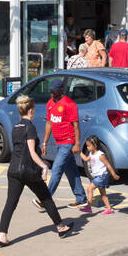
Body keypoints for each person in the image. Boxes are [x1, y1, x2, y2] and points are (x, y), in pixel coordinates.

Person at [0, 96, 72, 247]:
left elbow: (20, 151)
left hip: (13, 171)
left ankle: (2, 236)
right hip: (28, 171)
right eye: (34, 110)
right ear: (31, 110)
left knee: (10, 204)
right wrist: (44, 167)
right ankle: (61, 227)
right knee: (46, 198)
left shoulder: (16, 127)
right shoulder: (29, 127)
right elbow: (31, 152)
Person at [40, 79, 87, 210]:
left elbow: (76, 126)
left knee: (56, 169)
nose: (51, 94)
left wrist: (77, 144)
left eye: (54, 92)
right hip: (58, 142)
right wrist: (44, 142)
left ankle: (45, 200)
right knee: (71, 171)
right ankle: (81, 198)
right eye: (50, 91)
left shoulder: (69, 104)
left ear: (61, 90)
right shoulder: (50, 103)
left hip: (68, 142)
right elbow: (49, 123)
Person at [80, 135, 119, 214]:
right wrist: (79, 152)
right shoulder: (91, 153)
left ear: (95, 145)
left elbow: (108, 165)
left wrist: (114, 175)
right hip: (98, 176)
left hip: (101, 176)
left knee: (89, 188)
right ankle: (109, 209)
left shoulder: (100, 155)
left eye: (89, 146)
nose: (87, 147)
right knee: (103, 194)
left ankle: (88, 207)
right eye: (87, 146)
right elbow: (85, 159)